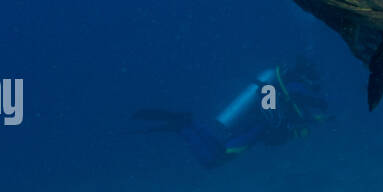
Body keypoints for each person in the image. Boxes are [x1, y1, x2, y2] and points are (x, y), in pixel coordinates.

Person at [132, 52, 330, 167]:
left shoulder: (289, 85)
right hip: (257, 128)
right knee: (215, 159)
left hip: (256, 126)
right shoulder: (296, 86)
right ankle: (185, 126)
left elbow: (301, 115)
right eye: (313, 72)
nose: (315, 77)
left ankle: (186, 125)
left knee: (219, 152)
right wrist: (326, 116)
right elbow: (317, 108)